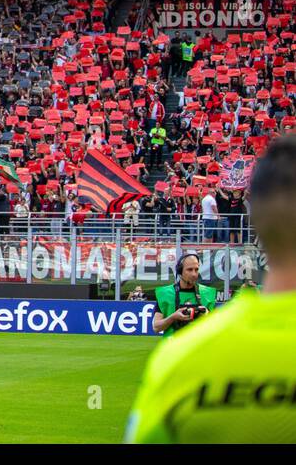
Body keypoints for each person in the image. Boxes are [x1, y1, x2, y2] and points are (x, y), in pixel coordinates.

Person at [127, 134, 296, 442]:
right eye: (189, 268)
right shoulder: (178, 345)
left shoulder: (181, 359)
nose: (193, 273)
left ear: (255, 218)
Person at [151, 252, 219, 336]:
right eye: (189, 270)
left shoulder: (207, 293)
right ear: (180, 271)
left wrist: (207, 314)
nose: (194, 274)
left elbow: (217, 328)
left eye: (196, 269)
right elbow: (156, 327)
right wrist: (173, 317)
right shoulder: (165, 294)